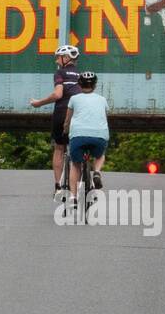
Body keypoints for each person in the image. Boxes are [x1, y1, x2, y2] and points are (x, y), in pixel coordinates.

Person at [29, 44, 82, 198]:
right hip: (79, 113)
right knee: (77, 149)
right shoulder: (82, 75)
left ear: (66, 58)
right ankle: (78, 185)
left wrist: (39, 103)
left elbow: (58, 94)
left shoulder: (60, 73)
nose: (56, 61)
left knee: (59, 148)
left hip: (62, 112)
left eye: (58, 57)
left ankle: (58, 186)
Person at [63, 70, 108, 196]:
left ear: (79, 85)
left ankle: (73, 197)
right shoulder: (102, 100)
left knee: (75, 165)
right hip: (99, 136)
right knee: (100, 155)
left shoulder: (73, 99)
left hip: (78, 136)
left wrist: (65, 129)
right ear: (95, 85)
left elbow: (67, 120)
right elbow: (103, 117)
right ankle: (97, 172)